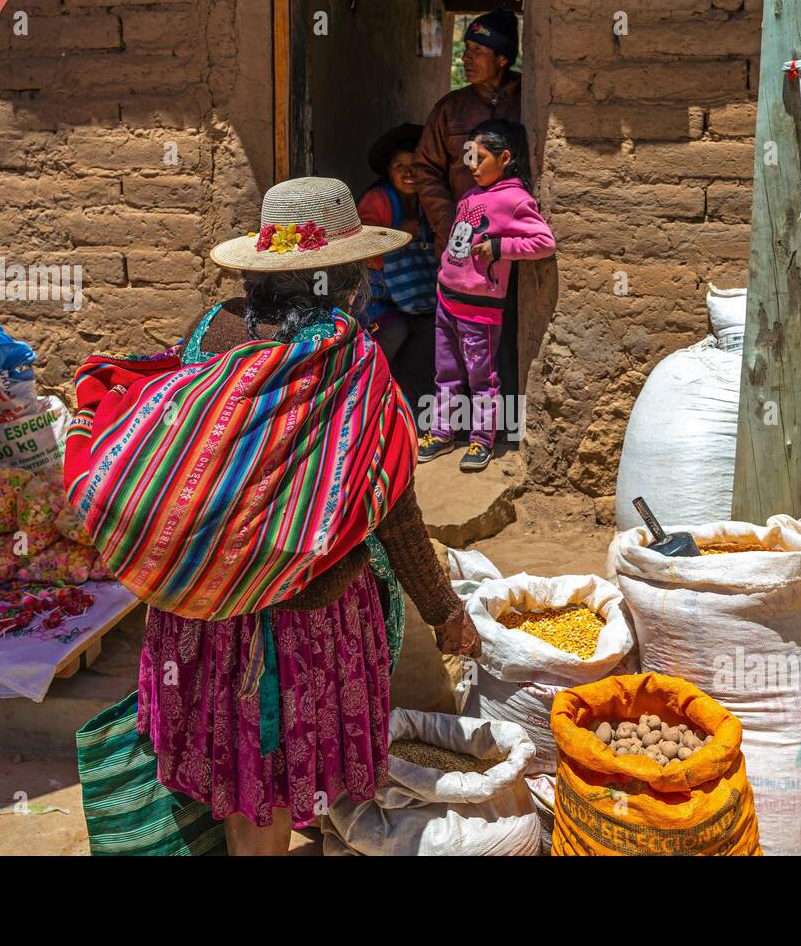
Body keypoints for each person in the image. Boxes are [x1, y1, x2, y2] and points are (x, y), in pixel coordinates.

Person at [65, 177, 481, 856]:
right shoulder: (352, 362)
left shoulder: (210, 331)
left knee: (247, 775)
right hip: (303, 626)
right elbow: (397, 516)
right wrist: (444, 611)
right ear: (348, 273)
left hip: (208, 613)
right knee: (278, 773)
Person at [419, 120, 555, 473]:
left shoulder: (515, 200)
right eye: (468, 158)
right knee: (446, 373)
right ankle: (442, 432)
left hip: (481, 310)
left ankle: (482, 441)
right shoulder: (470, 195)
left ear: (505, 157)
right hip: (448, 300)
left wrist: (500, 247)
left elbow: (543, 242)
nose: (472, 166)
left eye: (479, 158)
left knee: (483, 379)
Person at [413, 8, 525, 416]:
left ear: (502, 58)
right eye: (466, 49)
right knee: (458, 336)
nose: (466, 58)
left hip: (513, 248)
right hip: (462, 250)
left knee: (509, 332)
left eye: (478, 50)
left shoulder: (530, 99)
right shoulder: (450, 110)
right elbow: (425, 169)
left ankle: (505, 423)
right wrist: (449, 226)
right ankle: (453, 424)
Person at [357, 123, 439, 363]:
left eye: (414, 165)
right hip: (377, 296)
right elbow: (362, 251)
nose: (408, 173)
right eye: (399, 166)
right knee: (393, 331)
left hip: (417, 295)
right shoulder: (378, 200)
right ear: (388, 172)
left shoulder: (430, 200)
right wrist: (397, 234)